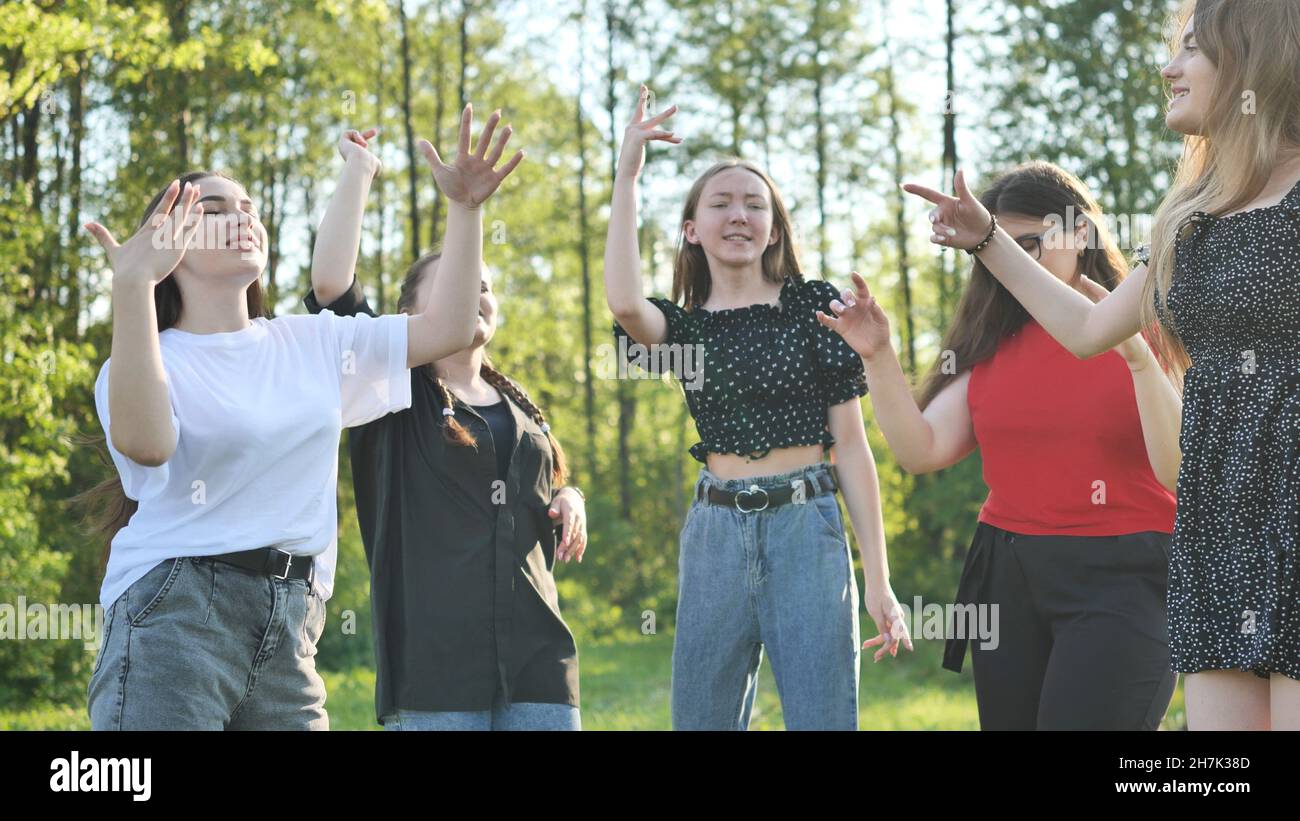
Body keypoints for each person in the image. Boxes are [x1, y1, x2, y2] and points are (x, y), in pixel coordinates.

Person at [903, 0, 1300, 729]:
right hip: (1217, 536)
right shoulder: (1191, 214)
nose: (1167, 67)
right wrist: (988, 238)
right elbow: (1087, 328)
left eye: (1192, 49)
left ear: (1254, 56)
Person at [80, 104, 498, 730]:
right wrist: (132, 286)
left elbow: (449, 327)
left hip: (292, 628)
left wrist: (465, 211)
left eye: (248, 207)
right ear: (167, 238)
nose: (243, 217)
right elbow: (146, 444)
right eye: (214, 209)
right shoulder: (143, 358)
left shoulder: (312, 342)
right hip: (175, 617)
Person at [819, 161, 1181, 729]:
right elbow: (921, 449)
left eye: (1030, 244)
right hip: (1010, 575)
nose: (1011, 264)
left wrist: (1137, 358)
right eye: (995, 249)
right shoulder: (992, 340)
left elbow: (1186, 463)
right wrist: (877, 356)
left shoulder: (1150, 324)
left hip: (1127, 578)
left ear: (1079, 231)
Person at [606, 85, 911, 731]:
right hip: (715, 533)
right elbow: (626, 304)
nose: (739, 214)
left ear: (773, 226)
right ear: (692, 229)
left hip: (809, 527)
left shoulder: (814, 307)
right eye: (720, 203)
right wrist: (628, 172)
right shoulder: (683, 331)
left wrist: (879, 581)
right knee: (703, 720)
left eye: (755, 203)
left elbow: (852, 448)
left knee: (823, 717)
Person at [304, 122, 584, 731]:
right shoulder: (390, 389)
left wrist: (568, 495)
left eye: (485, 286)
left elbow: (530, 493)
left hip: (539, 663)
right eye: (461, 283)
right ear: (409, 313)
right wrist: (358, 171)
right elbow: (331, 286)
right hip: (435, 675)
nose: (476, 293)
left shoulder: (521, 409)